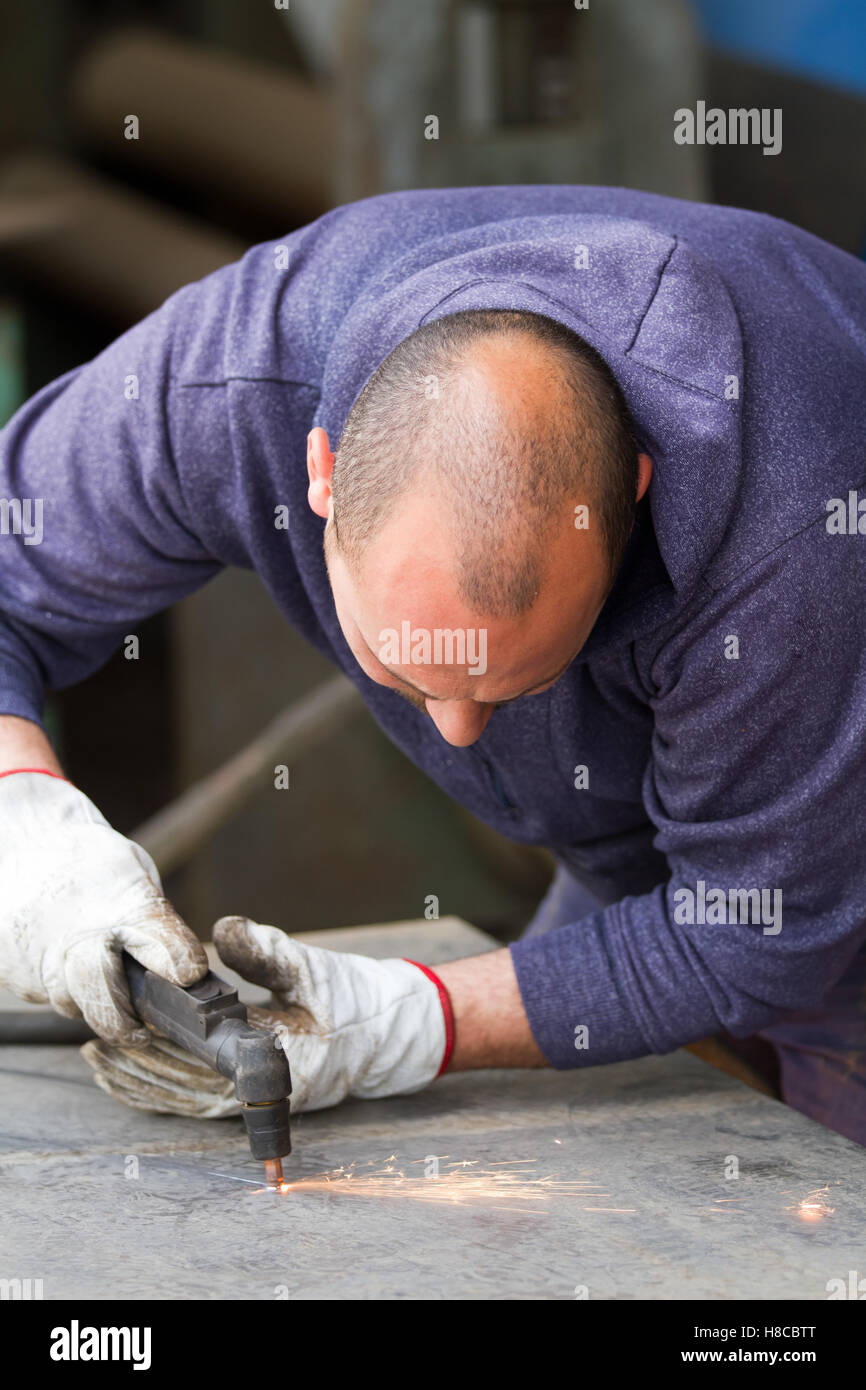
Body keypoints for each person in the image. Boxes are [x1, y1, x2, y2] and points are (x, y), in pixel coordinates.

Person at [1, 185, 864, 1143]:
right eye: (408, 670)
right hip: (645, 845)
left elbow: (752, 928)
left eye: (519, 680)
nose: (454, 730)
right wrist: (26, 825)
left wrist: (408, 1022)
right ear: (320, 474)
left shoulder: (800, 539)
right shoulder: (231, 385)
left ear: (631, 494)